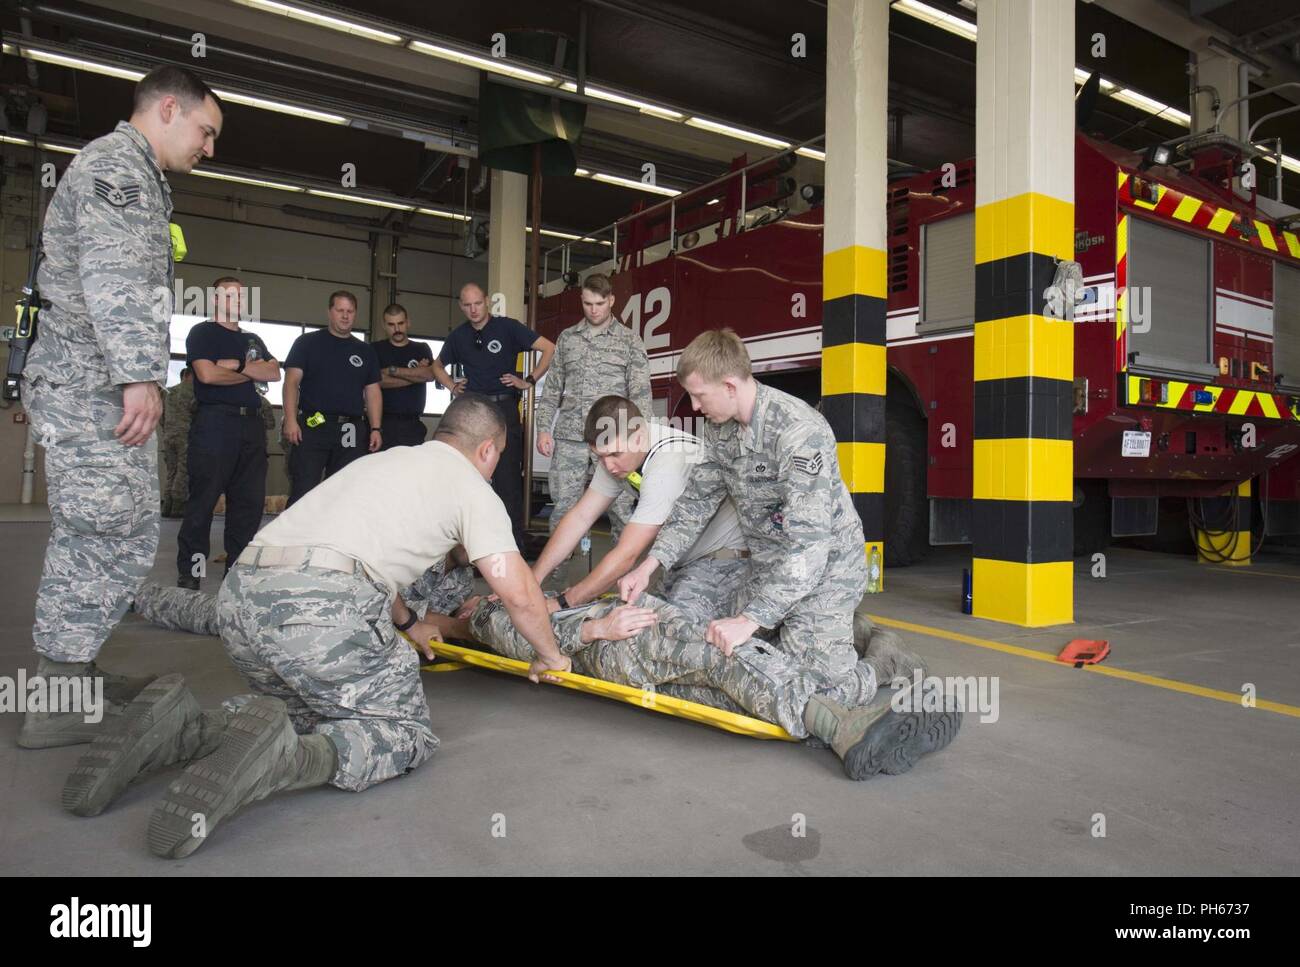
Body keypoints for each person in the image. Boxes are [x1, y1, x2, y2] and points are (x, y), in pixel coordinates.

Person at [61, 394, 569, 858]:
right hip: (319, 607)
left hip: (241, 598)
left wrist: (410, 622)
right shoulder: (472, 489)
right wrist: (550, 654)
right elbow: (517, 589)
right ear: (487, 450)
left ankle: (182, 727)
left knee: (305, 713)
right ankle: (284, 764)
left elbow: (360, 556)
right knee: (401, 734)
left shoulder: (382, 462)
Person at [18, 65, 223, 749]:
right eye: (206, 131)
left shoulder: (128, 169)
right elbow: (114, 277)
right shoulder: (119, 169)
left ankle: (73, 672)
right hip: (93, 384)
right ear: (169, 108)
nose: (209, 149)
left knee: (115, 526)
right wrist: (140, 374)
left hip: (92, 379)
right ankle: (58, 695)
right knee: (105, 528)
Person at [619, 329, 871, 713]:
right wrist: (650, 566)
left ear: (731, 385)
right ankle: (825, 631)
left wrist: (750, 619)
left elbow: (810, 549)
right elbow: (694, 505)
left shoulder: (799, 432)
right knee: (705, 645)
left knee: (811, 691)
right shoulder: (720, 429)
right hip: (769, 568)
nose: (695, 407)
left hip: (826, 572)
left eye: (699, 395)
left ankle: (881, 662)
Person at [465, 592, 956, 780]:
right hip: (618, 643)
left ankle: (876, 669)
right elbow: (524, 639)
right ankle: (845, 721)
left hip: (628, 643)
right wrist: (594, 628)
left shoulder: (527, 595)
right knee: (724, 656)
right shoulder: (489, 613)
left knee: (736, 689)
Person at [532, 394, 750, 626]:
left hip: (722, 562)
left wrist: (564, 604)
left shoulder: (668, 462)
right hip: (679, 562)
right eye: (600, 457)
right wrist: (531, 581)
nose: (608, 466)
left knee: (667, 634)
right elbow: (580, 517)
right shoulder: (618, 454)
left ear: (639, 437)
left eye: (615, 455)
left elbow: (628, 555)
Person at [535, 275, 652, 579]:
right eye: (588, 303)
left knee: (623, 510)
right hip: (572, 438)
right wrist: (544, 428)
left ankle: (623, 575)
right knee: (563, 508)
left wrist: (640, 438)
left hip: (616, 440)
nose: (594, 310)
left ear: (611, 300)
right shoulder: (567, 339)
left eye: (600, 303)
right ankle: (551, 579)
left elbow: (640, 393)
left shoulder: (629, 341)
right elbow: (553, 388)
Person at [430, 283, 555, 547]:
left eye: (478, 303)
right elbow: (437, 366)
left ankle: (514, 549)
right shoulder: (458, 336)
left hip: (504, 410)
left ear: (486, 302)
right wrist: (453, 387)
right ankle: (475, 547)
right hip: (474, 413)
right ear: (461, 306)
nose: (474, 310)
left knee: (508, 481)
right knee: (472, 479)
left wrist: (529, 380)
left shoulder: (507, 327)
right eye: (467, 305)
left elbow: (549, 348)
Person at [176, 277, 280, 589]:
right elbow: (206, 375)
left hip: (251, 427)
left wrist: (234, 368)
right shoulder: (202, 333)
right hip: (215, 423)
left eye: (240, 296)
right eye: (228, 295)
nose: (236, 300)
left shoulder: (252, 339)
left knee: (247, 505)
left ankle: (235, 577)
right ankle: (192, 575)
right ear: (215, 300)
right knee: (203, 502)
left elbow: (274, 372)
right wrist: (250, 372)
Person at [281, 291, 381, 505]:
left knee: (344, 492)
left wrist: (375, 428)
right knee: (304, 489)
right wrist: (290, 420)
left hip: (351, 429)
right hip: (314, 421)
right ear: (330, 312)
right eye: (340, 310)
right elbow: (291, 382)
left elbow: (372, 391)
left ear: (355, 314)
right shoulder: (307, 343)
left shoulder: (365, 351)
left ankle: (333, 539)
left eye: (350, 311)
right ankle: (295, 538)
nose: (345, 316)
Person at [372, 303, 433, 449]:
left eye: (400, 323)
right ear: (384, 325)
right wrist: (415, 376)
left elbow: (429, 375)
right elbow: (377, 381)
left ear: (408, 322)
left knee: (411, 471)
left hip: (412, 425)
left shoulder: (421, 349)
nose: (397, 329)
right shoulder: (375, 349)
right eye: (391, 325)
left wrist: (392, 370)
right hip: (383, 424)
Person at [160, 367, 195, 518]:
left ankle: (166, 506)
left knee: (171, 472)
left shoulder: (167, 392)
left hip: (168, 436)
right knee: (183, 471)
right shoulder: (193, 392)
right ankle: (178, 508)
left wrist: (168, 429)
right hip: (185, 436)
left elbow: (161, 416)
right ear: (189, 375)